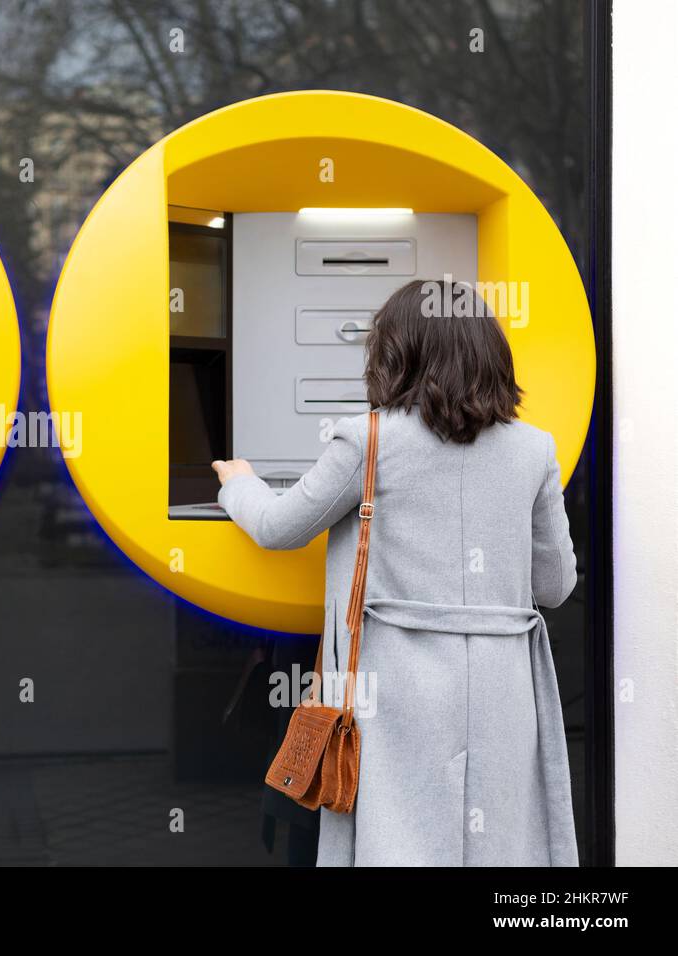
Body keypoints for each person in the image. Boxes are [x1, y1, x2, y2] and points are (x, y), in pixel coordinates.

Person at [212, 278, 579, 867]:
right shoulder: (533, 449)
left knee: (400, 838)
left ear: (395, 355)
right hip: (503, 686)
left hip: (396, 684)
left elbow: (280, 528)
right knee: (499, 843)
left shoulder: (367, 439)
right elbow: (555, 584)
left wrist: (239, 485)